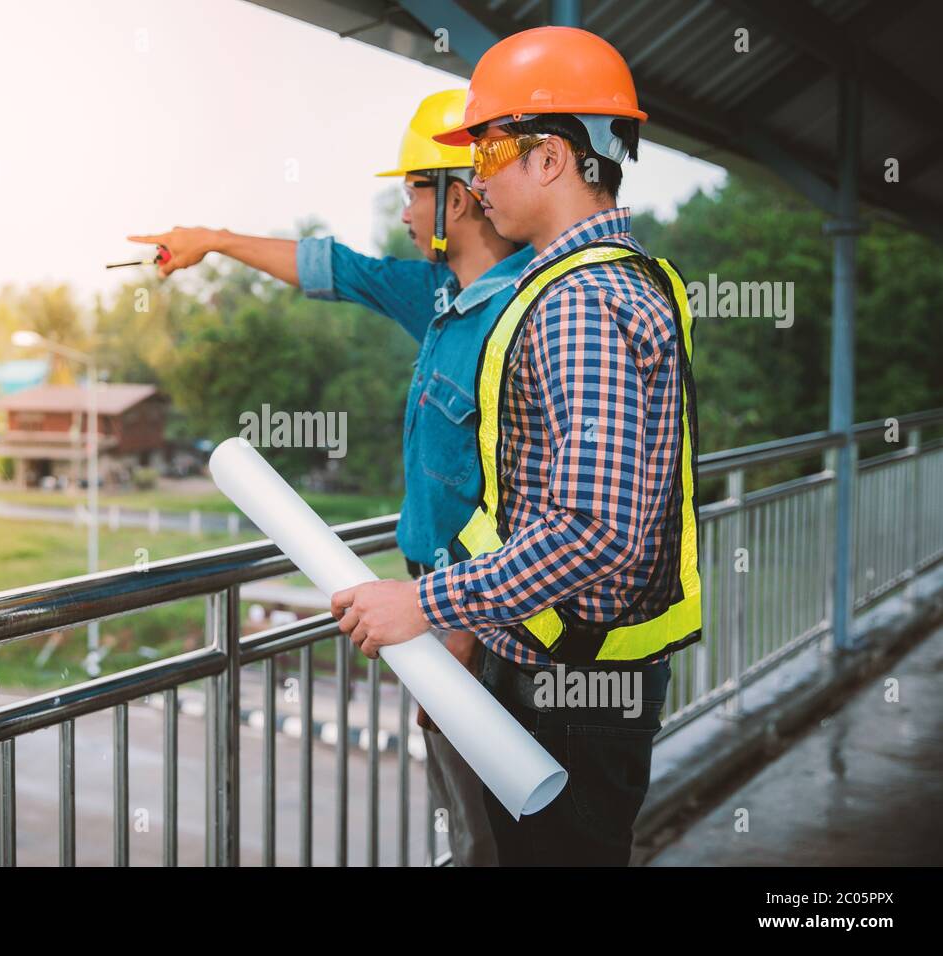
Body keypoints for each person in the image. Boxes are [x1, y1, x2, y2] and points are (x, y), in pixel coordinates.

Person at [129, 89, 536, 866]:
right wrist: (210, 241)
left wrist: (467, 633)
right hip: (439, 619)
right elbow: (332, 270)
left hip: (478, 629)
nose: (406, 206)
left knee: (504, 839)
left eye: (416, 187)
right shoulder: (439, 297)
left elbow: (533, 502)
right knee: (471, 832)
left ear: (463, 192)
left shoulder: (524, 311)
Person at [328, 26, 703, 867]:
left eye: (490, 148)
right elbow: (527, 499)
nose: (475, 176)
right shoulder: (607, 279)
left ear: (552, 159)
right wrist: (469, 623)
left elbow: (593, 528)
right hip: (568, 668)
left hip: (571, 686)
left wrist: (428, 604)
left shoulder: (579, 304)